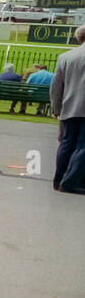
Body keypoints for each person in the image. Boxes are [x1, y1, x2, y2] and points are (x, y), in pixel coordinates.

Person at [51, 27, 85, 193]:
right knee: (82, 146)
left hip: (69, 107)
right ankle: (70, 181)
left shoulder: (65, 57)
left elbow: (56, 86)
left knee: (66, 144)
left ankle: (59, 180)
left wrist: (56, 107)